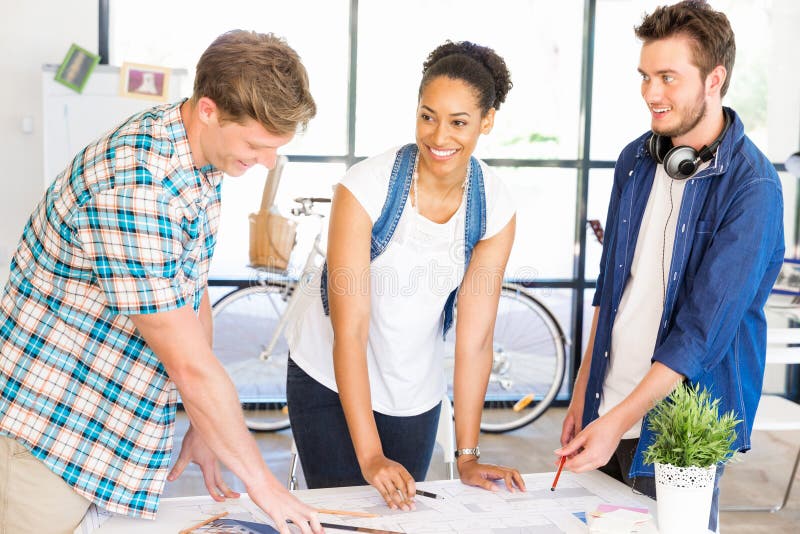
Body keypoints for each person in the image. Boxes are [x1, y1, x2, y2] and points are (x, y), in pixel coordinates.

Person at [0, 30, 322, 534]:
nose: (264, 163)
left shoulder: (197, 160)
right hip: (46, 435)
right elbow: (189, 366)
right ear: (210, 110)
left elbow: (193, 295)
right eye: (257, 146)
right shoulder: (139, 189)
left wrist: (204, 423)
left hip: (99, 428)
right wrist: (264, 484)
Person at [557, 2, 784, 531]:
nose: (651, 93)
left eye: (667, 78)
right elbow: (612, 289)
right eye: (645, 77)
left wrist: (618, 420)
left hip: (680, 424)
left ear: (715, 80)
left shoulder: (753, 189)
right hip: (606, 405)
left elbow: (701, 335)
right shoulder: (635, 160)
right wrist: (585, 390)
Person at [285, 40, 526, 509]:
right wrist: (371, 454)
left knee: (397, 517)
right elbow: (349, 331)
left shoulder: (495, 207)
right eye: (427, 116)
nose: (439, 136)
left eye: (459, 122)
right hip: (329, 379)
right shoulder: (366, 187)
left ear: (487, 121)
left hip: (413, 389)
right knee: (344, 515)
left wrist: (469, 456)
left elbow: (475, 340)